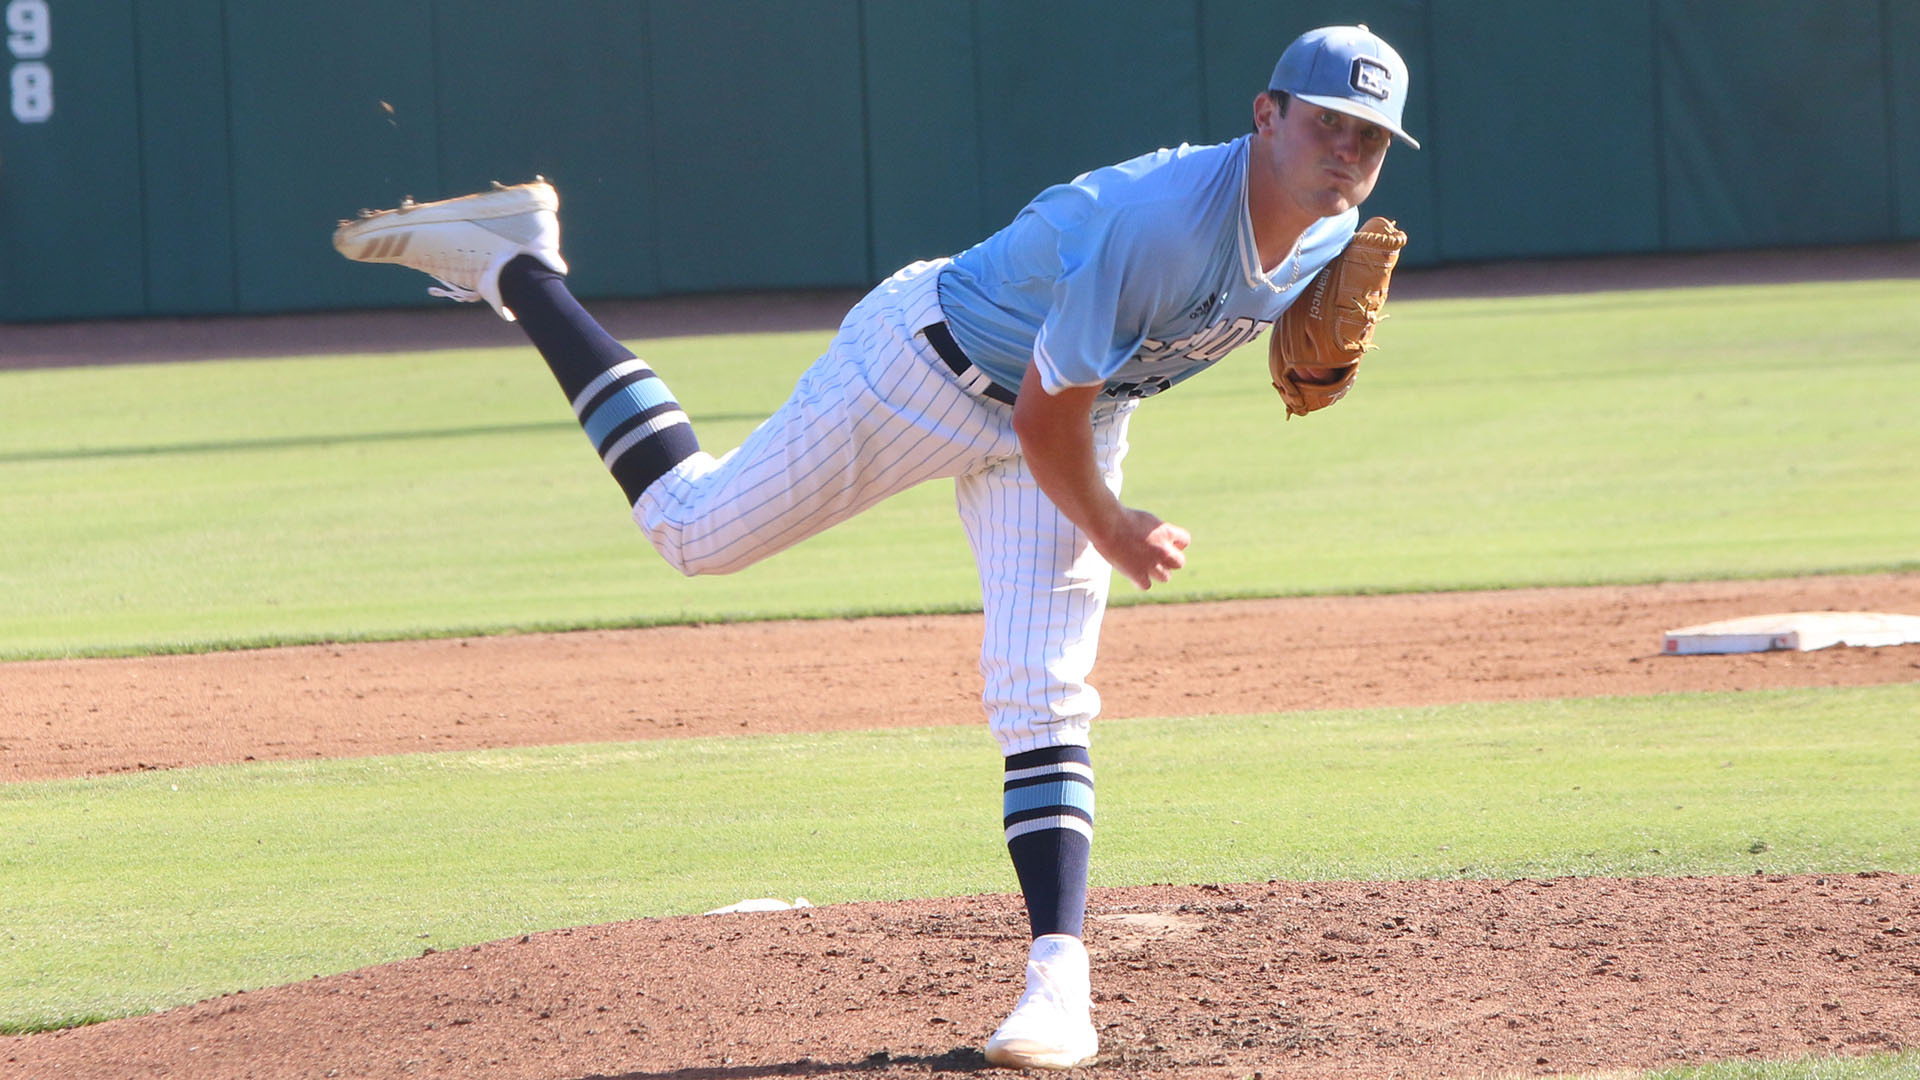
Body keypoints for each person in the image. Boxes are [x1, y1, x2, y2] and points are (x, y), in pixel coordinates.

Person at [334, 23, 1418, 1070]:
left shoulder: (1329, 227)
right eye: (1325, 122)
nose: (1346, 150)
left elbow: (1087, 396)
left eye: (1369, 135)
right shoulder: (1161, 222)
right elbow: (1042, 418)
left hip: (1077, 410)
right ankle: (523, 268)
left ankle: (1059, 980)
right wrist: (1112, 528)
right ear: (1265, 114)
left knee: (1043, 689)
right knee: (693, 530)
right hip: (923, 369)